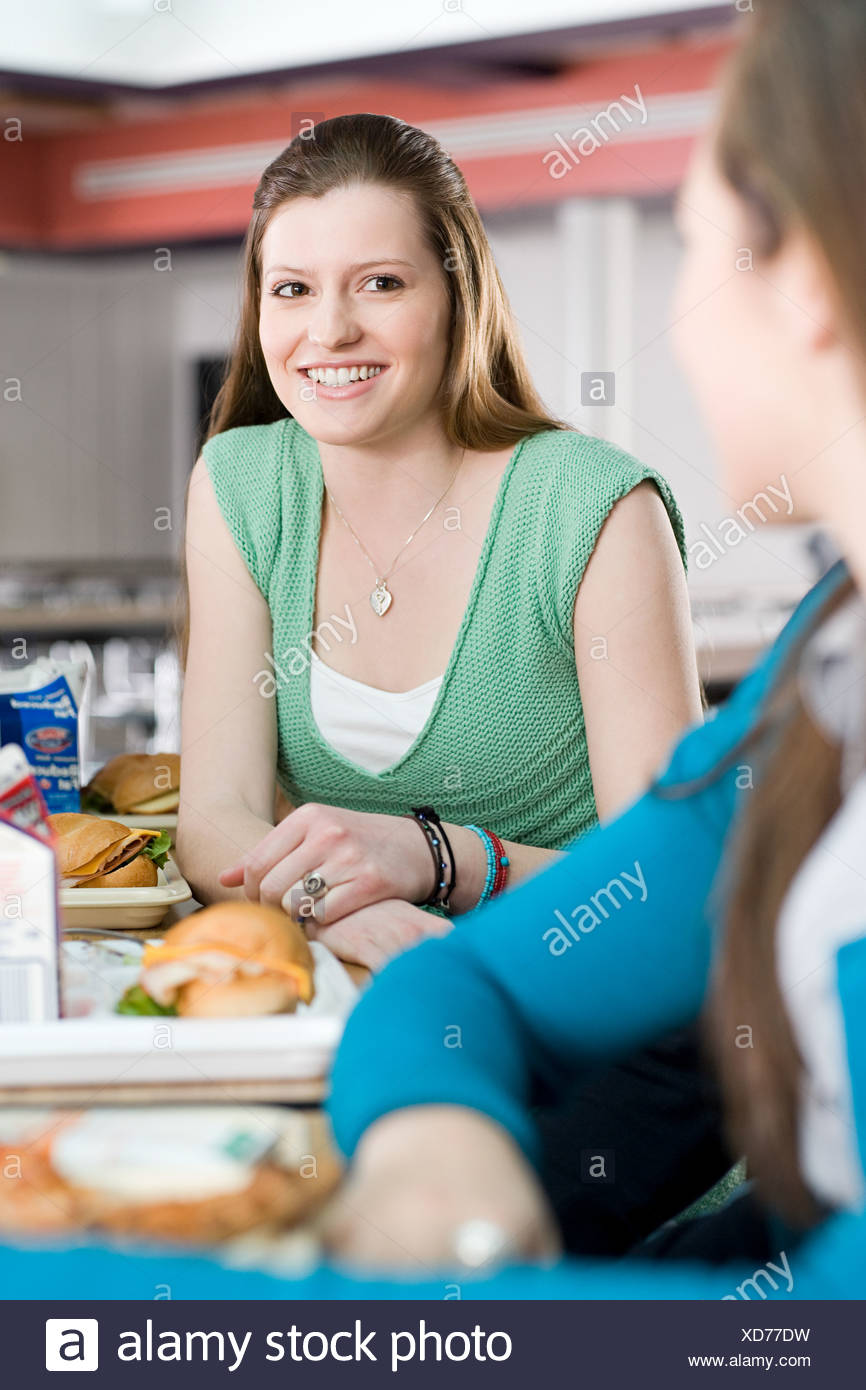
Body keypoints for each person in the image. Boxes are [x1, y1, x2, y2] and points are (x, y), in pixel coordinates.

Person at [315, 0, 866, 1285]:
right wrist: (431, 1135)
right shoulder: (825, 664)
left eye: (688, 242)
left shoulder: (595, 509)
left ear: (802, 283)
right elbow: (471, 994)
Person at [175, 111, 701, 975]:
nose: (331, 331)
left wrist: (437, 860)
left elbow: (662, 883)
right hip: (351, 990)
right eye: (293, 289)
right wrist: (327, 913)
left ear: (459, 299)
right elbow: (217, 817)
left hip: (588, 996)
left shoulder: (590, 506)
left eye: (380, 283)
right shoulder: (239, 484)